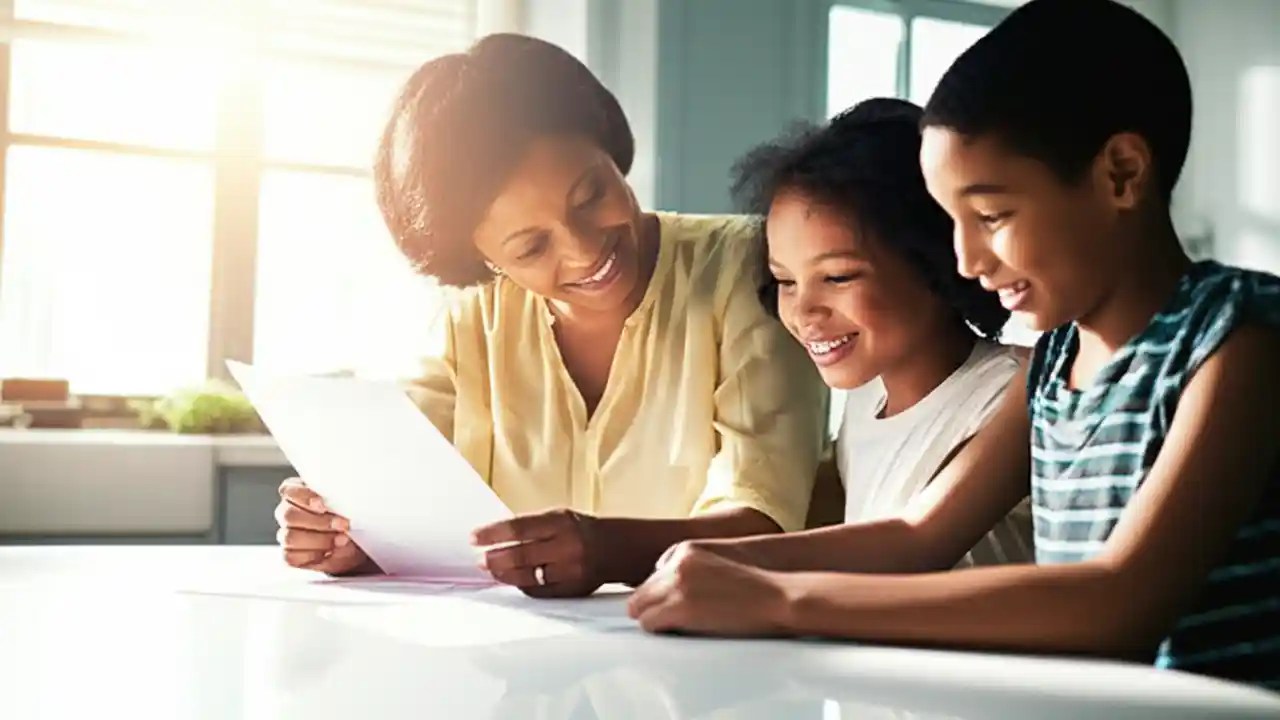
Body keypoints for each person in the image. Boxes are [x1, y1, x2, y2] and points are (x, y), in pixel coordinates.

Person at [629, 0, 1280, 690]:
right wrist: (717, 559)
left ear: (1120, 173)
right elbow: (918, 536)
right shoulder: (1056, 360)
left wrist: (780, 600)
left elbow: (1118, 602)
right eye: (952, 221)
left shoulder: (1240, 336)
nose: (966, 260)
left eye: (991, 216)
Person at [271, 33, 830, 598]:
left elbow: (766, 518)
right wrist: (350, 533)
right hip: (521, 650)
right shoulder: (473, 317)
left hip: (719, 641)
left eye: (591, 196)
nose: (585, 251)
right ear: (485, 262)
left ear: (610, 151)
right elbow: (400, 493)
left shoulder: (748, 266)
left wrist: (609, 550)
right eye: (531, 247)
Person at [726, 97, 1032, 569]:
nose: (804, 310)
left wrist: (714, 559)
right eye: (785, 281)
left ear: (933, 260)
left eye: (838, 277)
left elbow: (914, 546)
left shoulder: (1008, 396)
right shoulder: (867, 396)